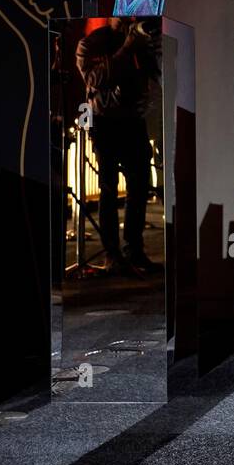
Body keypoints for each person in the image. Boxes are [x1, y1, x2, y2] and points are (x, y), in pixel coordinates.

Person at [75, 17, 160, 275]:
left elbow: (154, 73)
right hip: (105, 122)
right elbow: (96, 78)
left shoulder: (140, 42)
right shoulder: (91, 43)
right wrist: (126, 48)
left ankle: (134, 249)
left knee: (139, 184)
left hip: (133, 121)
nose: (129, 19)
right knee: (109, 188)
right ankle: (112, 254)